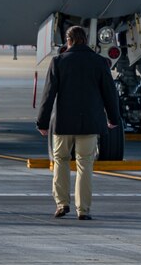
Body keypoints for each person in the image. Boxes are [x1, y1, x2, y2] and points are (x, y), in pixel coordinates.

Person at [35, 25, 121, 221]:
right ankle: (83, 210)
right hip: (90, 123)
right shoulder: (100, 62)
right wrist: (114, 118)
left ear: (69, 40)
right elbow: (110, 94)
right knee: (85, 165)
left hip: (64, 124)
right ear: (86, 40)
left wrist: (42, 122)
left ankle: (61, 204)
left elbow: (48, 95)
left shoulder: (59, 62)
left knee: (61, 162)